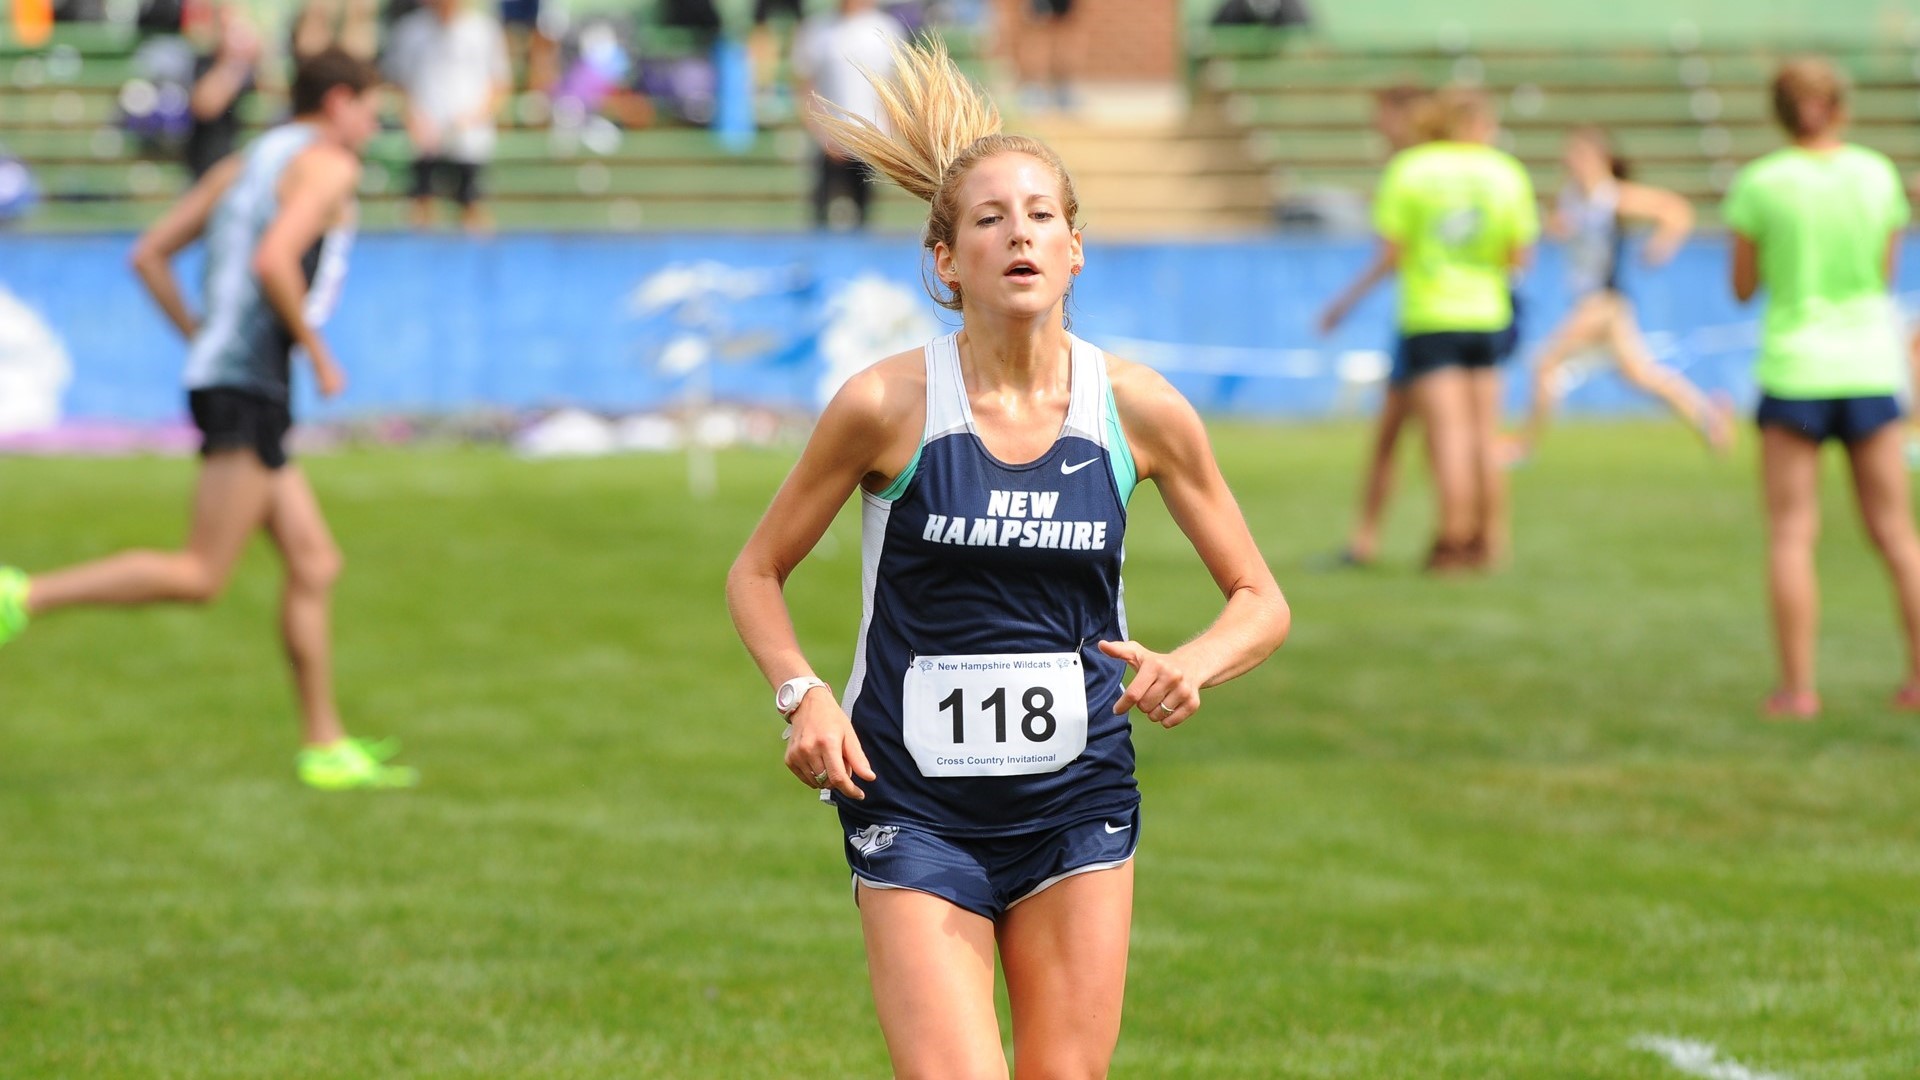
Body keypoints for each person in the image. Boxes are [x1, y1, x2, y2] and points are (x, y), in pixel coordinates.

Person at [725, 40, 1289, 1076]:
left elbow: (1260, 598)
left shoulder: (1140, 410)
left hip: (1077, 799)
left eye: (1041, 216)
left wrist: (1192, 663)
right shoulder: (884, 405)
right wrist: (800, 693)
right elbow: (755, 571)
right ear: (946, 262)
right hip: (911, 801)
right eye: (990, 219)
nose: (1019, 234)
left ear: (1076, 249)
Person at [0, 48, 417, 791]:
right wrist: (317, 353)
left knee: (315, 563)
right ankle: (21, 596)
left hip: (229, 377)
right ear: (340, 102)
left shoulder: (244, 163)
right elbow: (275, 260)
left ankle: (324, 745)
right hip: (251, 383)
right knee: (199, 574)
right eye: (370, 106)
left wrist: (201, 337)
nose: (374, 123)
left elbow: (149, 254)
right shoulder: (327, 166)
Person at [1722, 57, 1920, 719]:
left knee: (1790, 534)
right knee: (1897, 534)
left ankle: (1798, 689)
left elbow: (1745, 287)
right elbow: (1883, 272)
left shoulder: (1761, 182)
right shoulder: (1876, 174)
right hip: (1868, 363)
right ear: (1841, 105)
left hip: (1795, 367)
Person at [1366, 86, 1537, 571]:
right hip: (1489, 315)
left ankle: (1454, 539)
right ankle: (1490, 541)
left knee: (1449, 437)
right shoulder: (1505, 171)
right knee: (1486, 435)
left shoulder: (1411, 169)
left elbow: (1393, 249)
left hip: (1433, 314)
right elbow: (1520, 255)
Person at [1508, 126, 1732, 460]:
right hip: (1597, 304)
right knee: (1642, 375)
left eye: (1580, 154)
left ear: (1602, 160)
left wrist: (1662, 245)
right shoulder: (1571, 197)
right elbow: (1562, 230)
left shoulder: (1612, 197)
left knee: (1545, 363)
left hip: (1603, 302)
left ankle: (1525, 447)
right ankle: (1708, 415)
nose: (1572, 161)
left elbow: (1676, 210)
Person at [1316, 83, 1426, 566]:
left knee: (1403, 435)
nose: (1377, 128)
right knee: (1425, 434)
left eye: (1382, 116)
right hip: (1451, 321)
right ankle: (1470, 540)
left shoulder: (1410, 172)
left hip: (1427, 322)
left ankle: (1370, 541)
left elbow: (1392, 254)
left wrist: (1343, 304)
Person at [384, 0, 512, 232]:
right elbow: (398, 85)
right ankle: (418, 261)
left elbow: (500, 85)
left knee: (473, 205)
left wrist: (474, 118)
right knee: (421, 205)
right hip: (425, 138)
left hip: (471, 138)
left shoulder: (484, 29)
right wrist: (415, 120)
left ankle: (481, 264)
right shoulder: (410, 31)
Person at [791, 0, 904, 231]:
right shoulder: (816, 30)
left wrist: (890, 138)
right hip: (830, 143)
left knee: (865, 216)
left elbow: (895, 89)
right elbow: (806, 90)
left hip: (871, 140)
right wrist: (824, 135)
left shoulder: (887, 29)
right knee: (821, 215)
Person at [184, 2, 263, 180]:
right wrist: (234, 61)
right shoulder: (205, 62)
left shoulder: (249, 66)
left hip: (242, 166)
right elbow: (206, 105)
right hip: (207, 168)